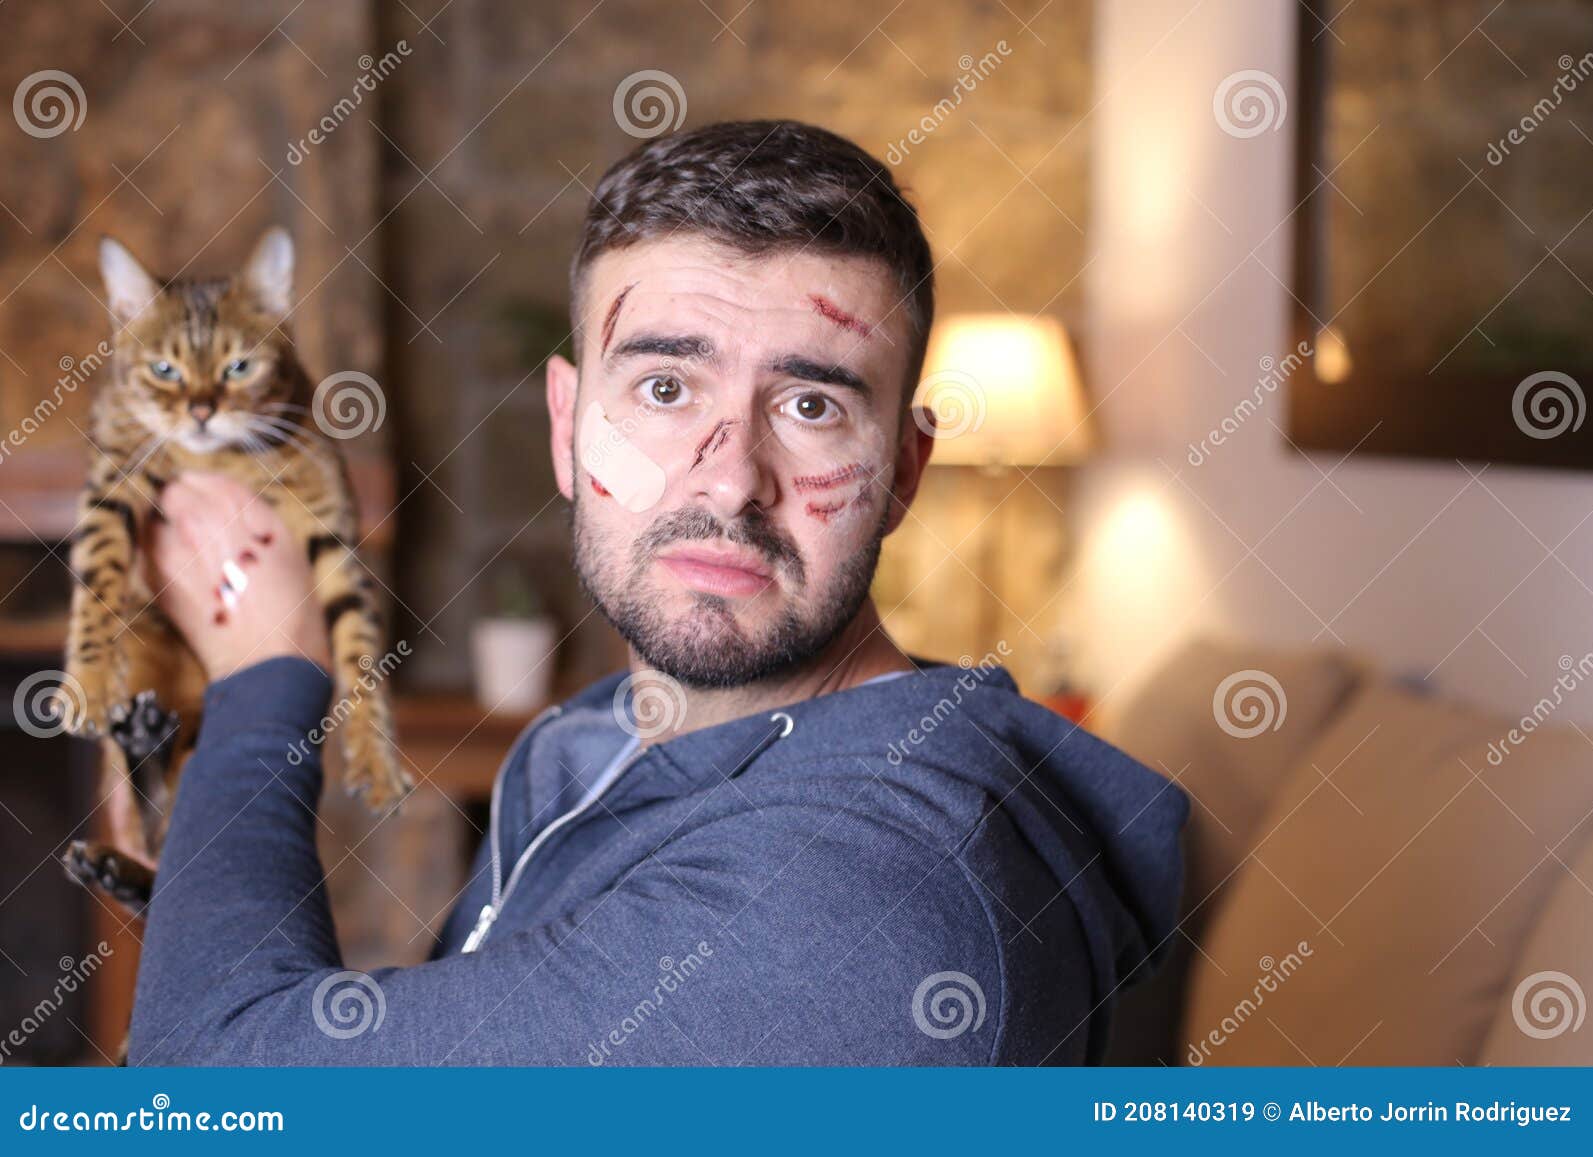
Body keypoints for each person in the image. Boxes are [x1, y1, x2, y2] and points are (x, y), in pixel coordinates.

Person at [127, 119, 1188, 1065]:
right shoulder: (592, 743)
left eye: (813, 404)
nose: (730, 477)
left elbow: (210, 1090)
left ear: (903, 472)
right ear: (565, 422)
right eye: (666, 387)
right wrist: (208, 912)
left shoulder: (860, 906)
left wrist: (269, 672)